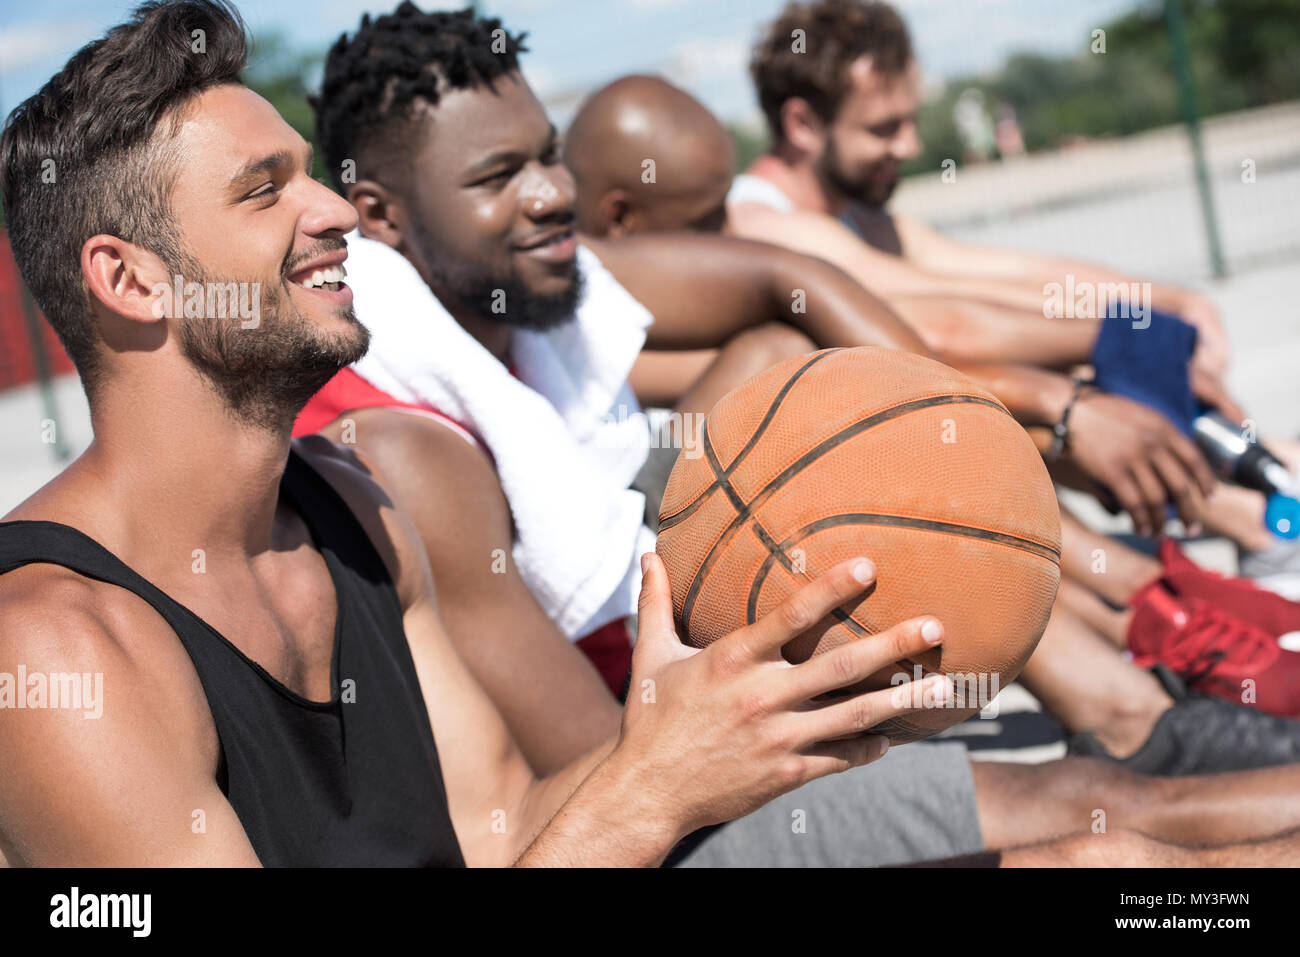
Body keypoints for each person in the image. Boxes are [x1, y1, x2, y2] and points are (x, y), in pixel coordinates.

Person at [295, 1, 1300, 867]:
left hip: (666, 689)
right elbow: (622, 765)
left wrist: (984, 433)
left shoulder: (520, 297)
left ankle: (1131, 686)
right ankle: (1137, 699)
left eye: (548, 154)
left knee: (806, 388)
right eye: (498, 175)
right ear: (376, 212)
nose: (550, 193)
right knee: (1097, 813)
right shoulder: (400, 448)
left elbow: (796, 286)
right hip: (636, 790)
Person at [0, 0, 964, 867]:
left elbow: (502, 825)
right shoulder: (51, 652)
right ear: (129, 281)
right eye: (264, 190)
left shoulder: (357, 512)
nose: (336, 211)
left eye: (312, 176)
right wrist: (655, 784)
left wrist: (709, 719)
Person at [564, 73, 1300, 746]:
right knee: (877, 464)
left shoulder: (621, 286)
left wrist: (1123, 333)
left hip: (667, 537)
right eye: (704, 218)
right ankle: (1141, 652)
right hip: (648, 592)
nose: (726, 230)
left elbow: (969, 294)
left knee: (907, 442)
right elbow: (888, 340)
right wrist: (1075, 390)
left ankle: (1155, 610)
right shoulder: (580, 298)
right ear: (621, 217)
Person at [732, 0, 1295, 569]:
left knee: (1051, 362)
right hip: (812, 504)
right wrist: (1127, 338)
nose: (909, 146)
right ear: (802, 124)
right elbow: (938, 324)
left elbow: (1006, 273)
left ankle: (1266, 493)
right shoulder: (764, 227)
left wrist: (1161, 304)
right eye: (885, 128)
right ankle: (1254, 521)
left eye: (909, 120)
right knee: (1029, 385)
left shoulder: (855, 214)